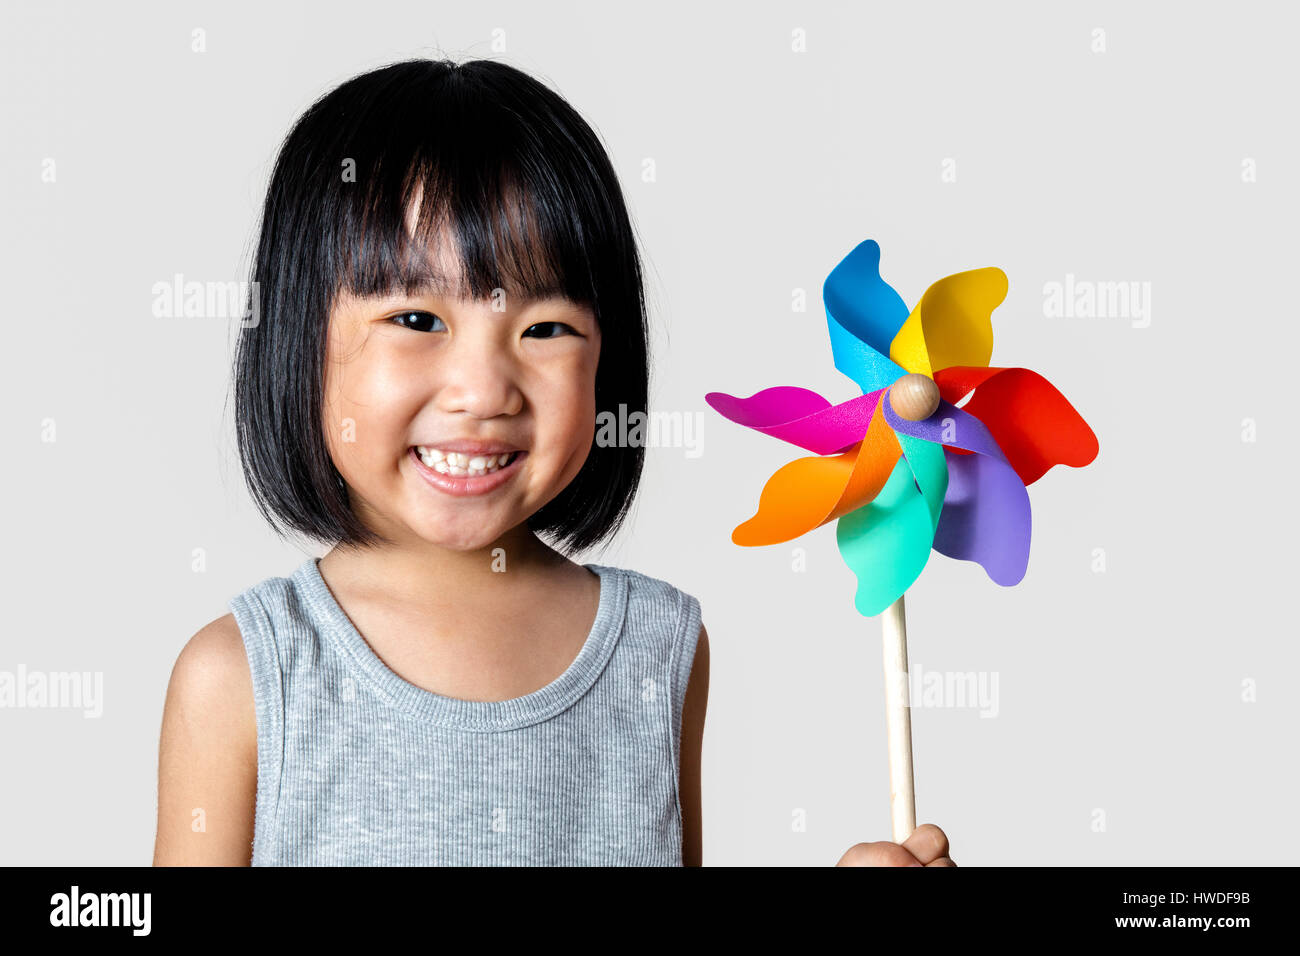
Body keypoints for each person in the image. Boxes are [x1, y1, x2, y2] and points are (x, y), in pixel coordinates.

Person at [152, 57, 953, 867]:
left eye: (546, 329)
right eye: (417, 317)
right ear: (299, 339)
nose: (482, 389)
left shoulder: (658, 648)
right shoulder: (244, 679)